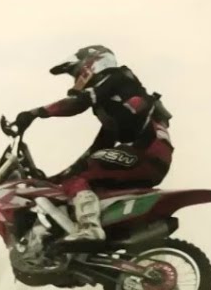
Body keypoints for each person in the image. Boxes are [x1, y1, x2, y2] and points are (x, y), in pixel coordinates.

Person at [12, 45, 174, 247]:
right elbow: (97, 151)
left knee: (77, 177)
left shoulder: (115, 77)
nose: (76, 79)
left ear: (93, 64)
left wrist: (34, 113)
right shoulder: (116, 107)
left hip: (146, 153)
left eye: (76, 72)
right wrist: (57, 178)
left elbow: (77, 103)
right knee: (76, 179)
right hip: (148, 157)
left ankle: (90, 228)